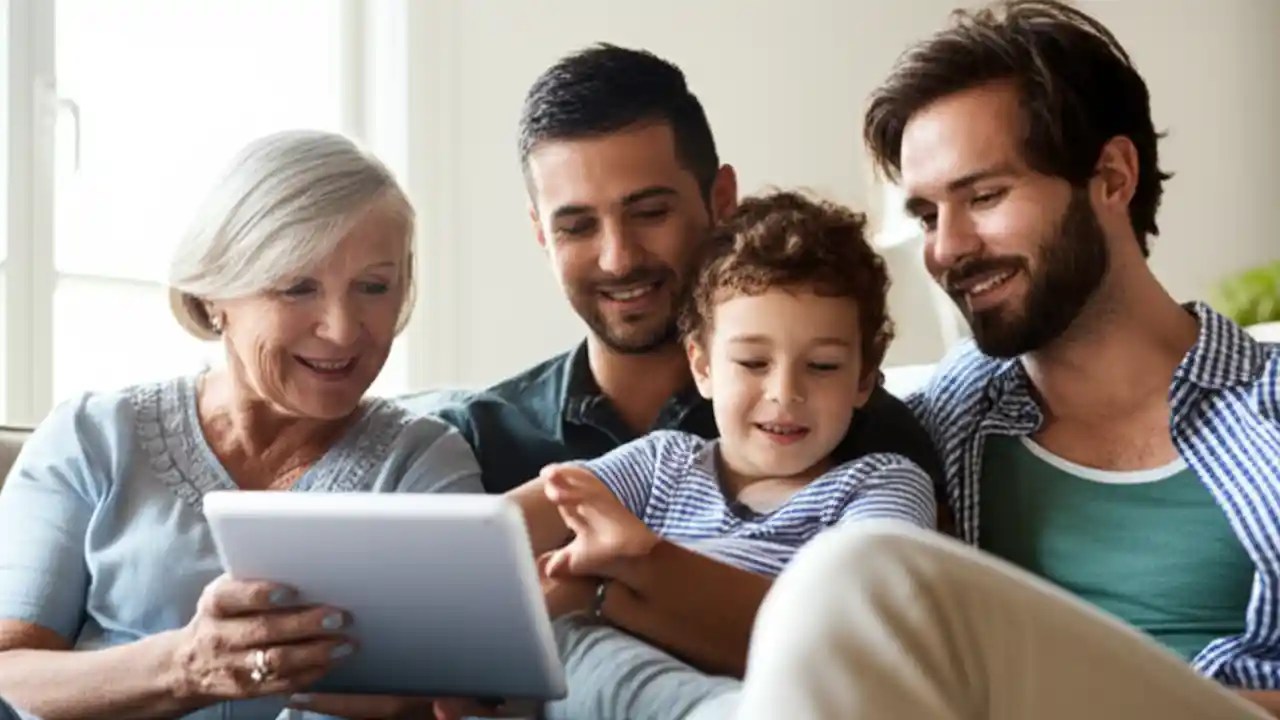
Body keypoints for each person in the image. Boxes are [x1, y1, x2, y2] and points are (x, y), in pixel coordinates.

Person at [728, 2, 1280, 719]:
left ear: (1113, 177)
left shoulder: (1267, 410)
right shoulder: (935, 426)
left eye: (984, 196)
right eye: (928, 216)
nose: (947, 248)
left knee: (855, 566)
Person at [430, 42, 945, 690]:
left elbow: (884, 655)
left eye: (650, 213)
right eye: (577, 227)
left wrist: (611, 589)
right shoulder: (477, 437)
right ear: (541, 234)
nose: (618, 258)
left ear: (720, 198)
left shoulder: (872, 439)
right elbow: (417, 608)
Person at [0, 130, 483, 720]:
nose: (341, 328)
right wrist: (185, 666)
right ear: (213, 297)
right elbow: (9, 673)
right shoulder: (91, 437)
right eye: (297, 287)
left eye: (373, 287)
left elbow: (457, 682)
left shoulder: (425, 462)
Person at [483, 190, 935, 720]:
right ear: (702, 366)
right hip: (608, 685)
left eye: (823, 367)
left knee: (579, 635)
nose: (785, 393)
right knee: (566, 640)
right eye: (752, 362)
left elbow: (856, 641)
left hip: (777, 697)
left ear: (863, 380)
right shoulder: (662, 463)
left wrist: (630, 577)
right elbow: (490, 534)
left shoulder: (881, 484)